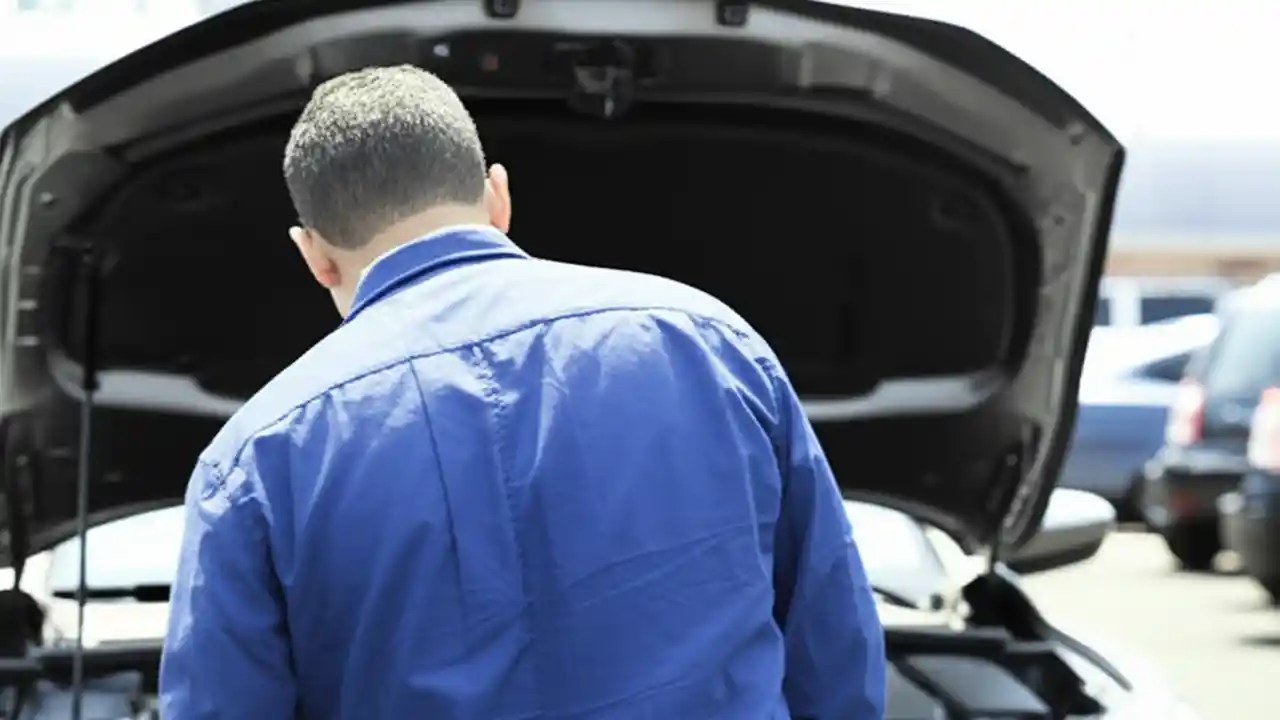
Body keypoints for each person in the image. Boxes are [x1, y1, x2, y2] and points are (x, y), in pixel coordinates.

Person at [159, 64, 885, 719]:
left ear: (314, 255)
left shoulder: (256, 460)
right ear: (497, 197)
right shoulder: (709, 342)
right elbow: (834, 646)